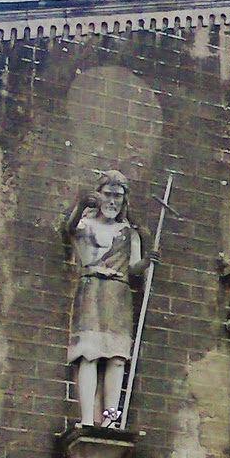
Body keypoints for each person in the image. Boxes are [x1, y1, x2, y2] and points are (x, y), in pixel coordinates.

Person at [66, 172, 149, 426]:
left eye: (118, 197)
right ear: (99, 195)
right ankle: (88, 419)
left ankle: (111, 418)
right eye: (108, 195)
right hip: (91, 289)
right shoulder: (85, 225)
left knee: (116, 355)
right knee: (89, 353)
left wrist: (148, 258)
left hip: (118, 293)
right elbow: (68, 229)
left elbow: (134, 266)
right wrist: (81, 205)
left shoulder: (128, 233)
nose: (113, 202)